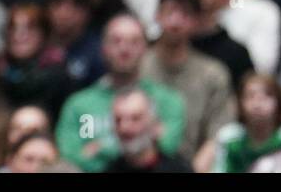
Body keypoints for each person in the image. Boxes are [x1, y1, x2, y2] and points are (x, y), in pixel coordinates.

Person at [55, 14, 186, 172]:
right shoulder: (78, 105)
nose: (124, 49)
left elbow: (167, 149)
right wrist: (138, 144)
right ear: (103, 48)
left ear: (146, 48)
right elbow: (71, 159)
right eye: (116, 41)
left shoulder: (168, 101)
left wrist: (101, 148)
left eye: (134, 41)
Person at [140, 0, 235, 161]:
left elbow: (219, 135)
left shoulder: (213, 74)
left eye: (185, 14)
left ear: (196, 22)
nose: (175, 21)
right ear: (156, 16)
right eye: (169, 12)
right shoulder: (137, 66)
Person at [195, 74, 281, 173]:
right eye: (250, 96)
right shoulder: (229, 137)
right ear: (239, 103)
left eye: (267, 96)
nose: (258, 104)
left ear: (279, 102)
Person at [102, 89, 192, 173]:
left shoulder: (180, 169)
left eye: (135, 118)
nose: (124, 127)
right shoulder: (108, 169)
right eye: (118, 120)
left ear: (154, 125)